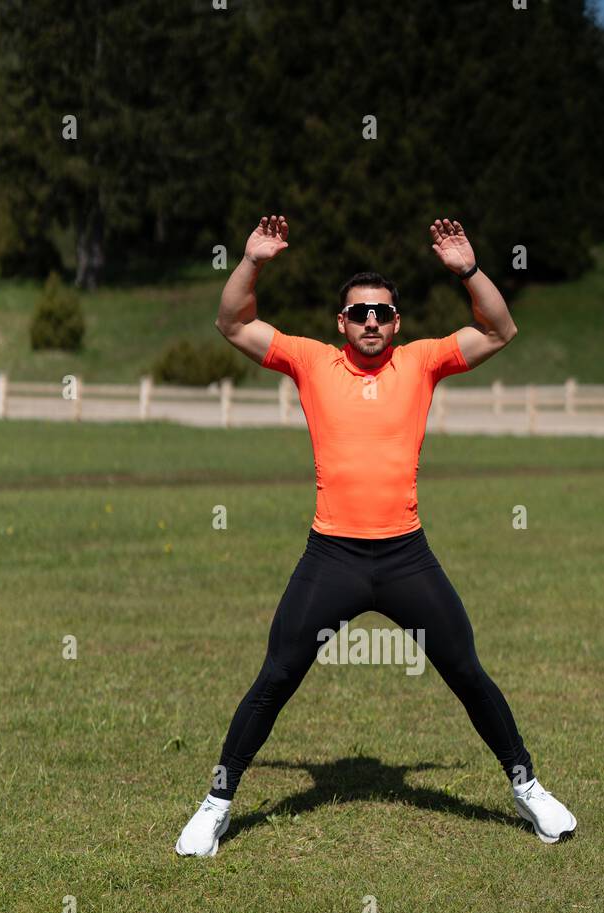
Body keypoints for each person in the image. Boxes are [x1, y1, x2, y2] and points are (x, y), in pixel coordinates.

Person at [176, 215, 576, 855]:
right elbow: (232, 324)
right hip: (330, 555)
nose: (371, 322)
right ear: (342, 322)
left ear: (397, 323)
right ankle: (216, 804)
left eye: (383, 314)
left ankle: (529, 790)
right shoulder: (311, 361)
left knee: (467, 673)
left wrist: (469, 270)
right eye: (359, 312)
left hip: (404, 557)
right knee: (276, 675)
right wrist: (251, 261)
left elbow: (501, 329)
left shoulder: (421, 363)